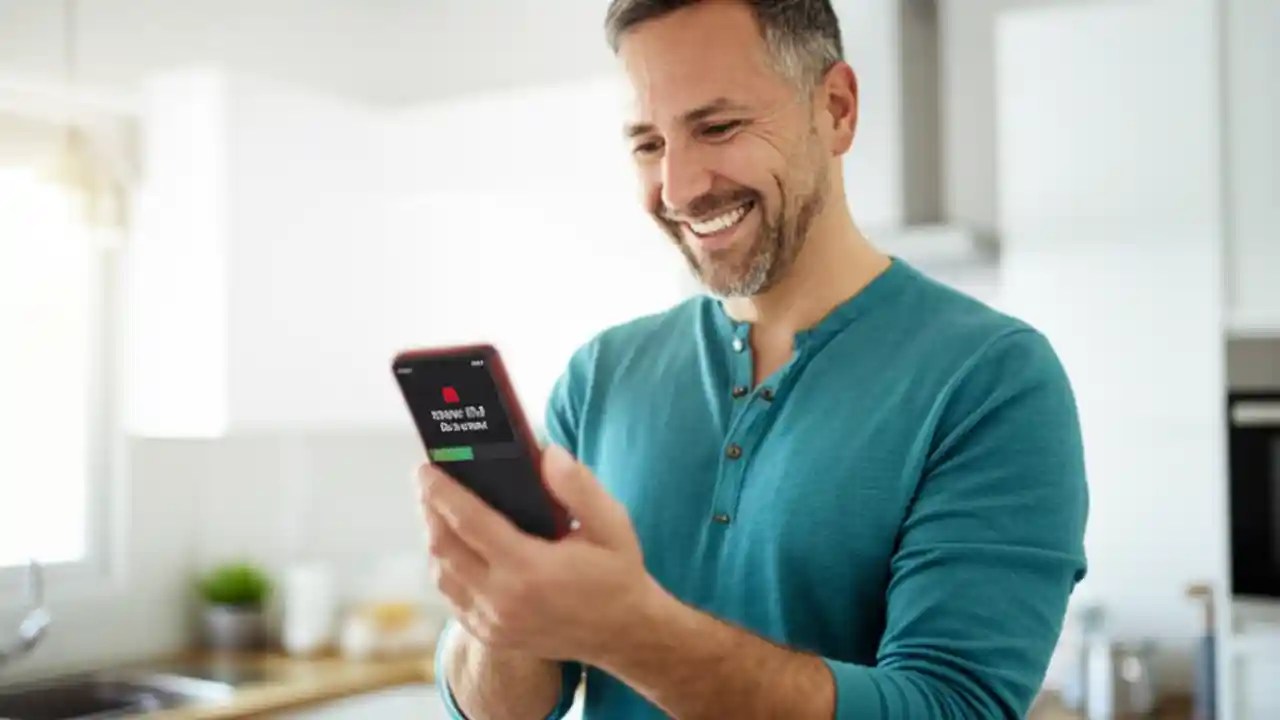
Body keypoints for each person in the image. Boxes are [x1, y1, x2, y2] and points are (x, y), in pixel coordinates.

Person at [417, 1, 1089, 718]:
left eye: (718, 127)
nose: (678, 189)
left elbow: (954, 709)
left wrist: (629, 630)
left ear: (835, 109)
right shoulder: (600, 377)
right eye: (648, 144)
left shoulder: (993, 379)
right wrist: (497, 608)